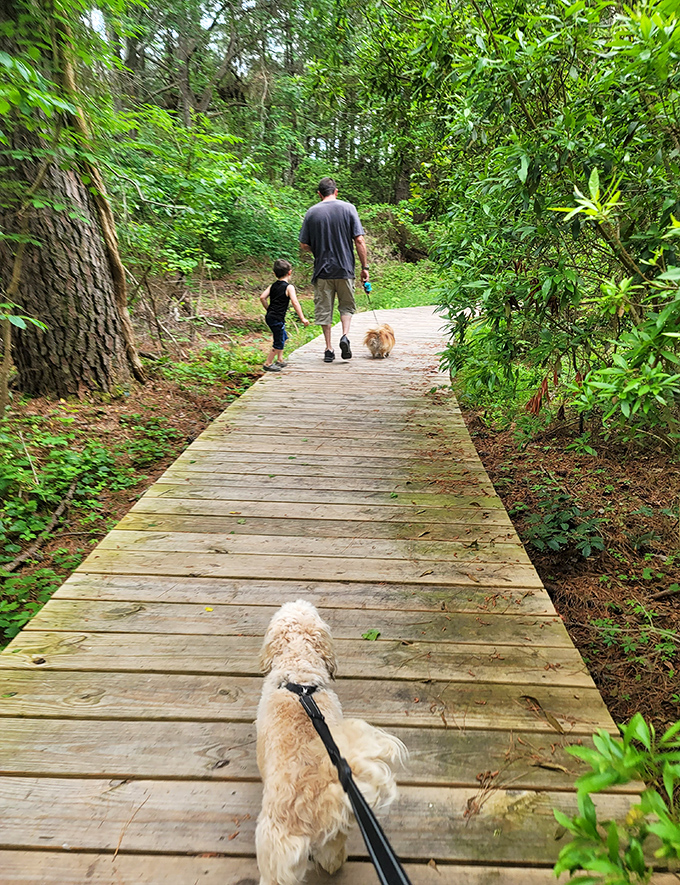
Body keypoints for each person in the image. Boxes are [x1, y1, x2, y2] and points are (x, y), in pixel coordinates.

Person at [299, 177, 370, 363]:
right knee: (346, 306)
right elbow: (359, 240)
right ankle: (345, 336)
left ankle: (329, 348)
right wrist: (364, 267)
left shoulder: (312, 212)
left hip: (322, 271)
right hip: (345, 268)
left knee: (325, 310)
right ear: (336, 191)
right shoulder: (349, 209)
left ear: (319, 194)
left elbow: (303, 244)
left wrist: (318, 250)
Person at [259, 259, 309, 372]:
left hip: (271, 316)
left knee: (283, 336)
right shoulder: (289, 287)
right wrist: (302, 318)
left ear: (274, 274)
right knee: (279, 341)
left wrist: (269, 309)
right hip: (277, 318)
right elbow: (295, 303)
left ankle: (280, 359)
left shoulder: (272, 286)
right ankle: (268, 363)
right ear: (290, 272)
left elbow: (262, 297)